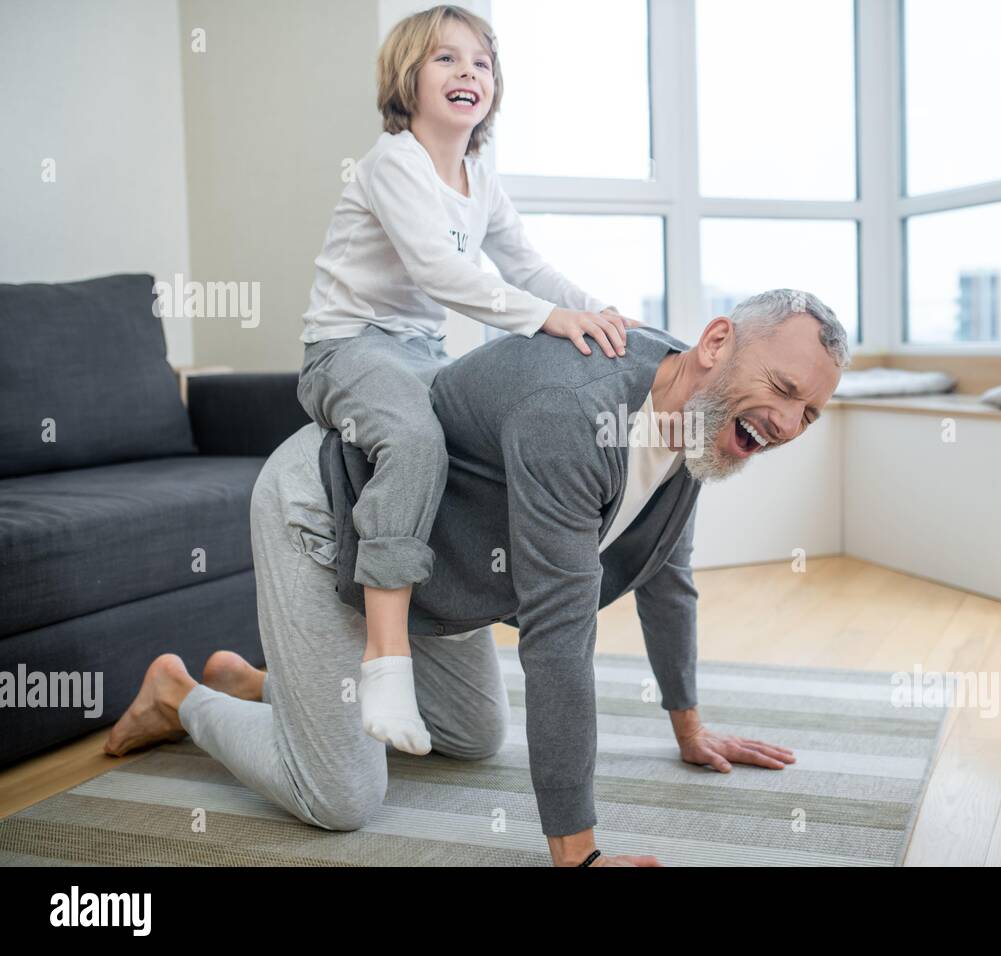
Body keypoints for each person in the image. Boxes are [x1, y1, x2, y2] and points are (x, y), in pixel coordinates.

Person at [106, 289, 849, 867]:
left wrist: (689, 726)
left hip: (437, 565)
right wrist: (578, 853)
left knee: (474, 737)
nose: (787, 423)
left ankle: (269, 687)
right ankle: (183, 698)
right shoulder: (576, 410)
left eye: (809, 413)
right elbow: (559, 638)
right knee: (341, 800)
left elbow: (667, 577)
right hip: (331, 514)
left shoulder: (699, 421)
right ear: (717, 342)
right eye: (783, 389)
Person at [298, 4, 635, 756]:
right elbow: (440, 271)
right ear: (406, 79)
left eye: (481, 62)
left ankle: (455, 610)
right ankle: (387, 660)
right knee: (416, 440)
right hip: (347, 348)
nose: (467, 74)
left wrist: (595, 311)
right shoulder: (393, 162)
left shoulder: (480, 174)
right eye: (446, 60)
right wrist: (548, 318)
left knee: (476, 448)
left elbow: (525, 262)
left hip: (418, 352)